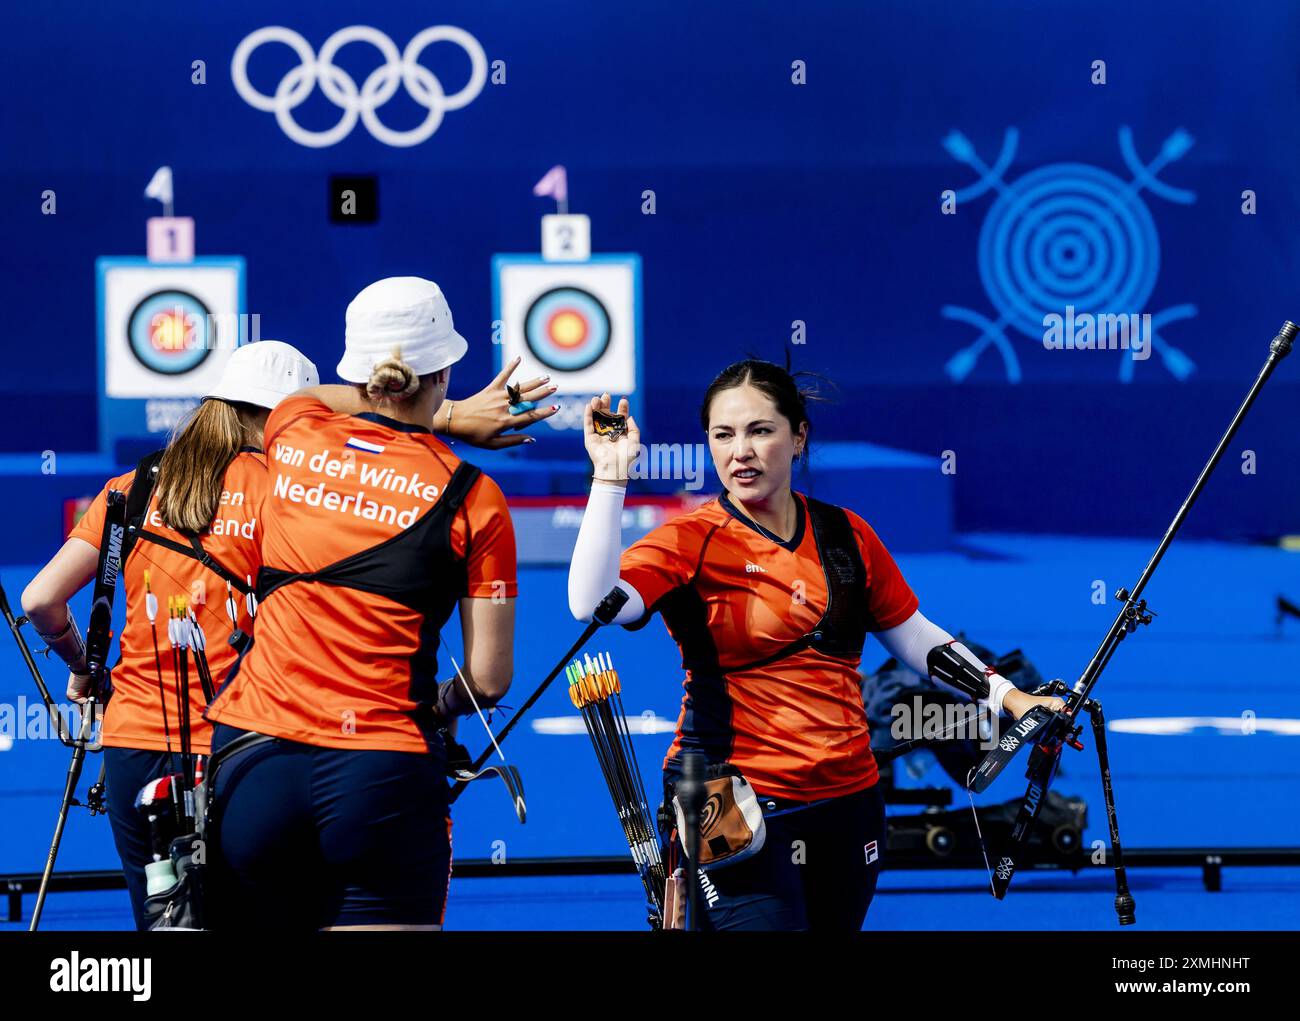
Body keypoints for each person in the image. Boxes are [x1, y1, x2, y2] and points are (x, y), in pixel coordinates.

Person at [567, 359, 1066, 931]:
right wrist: (609, 474)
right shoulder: (688, 541)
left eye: (761, 431)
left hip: (848, 798)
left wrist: (1010, 699)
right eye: (723, 435)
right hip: (725, 792)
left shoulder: (845, 533)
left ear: (798, 435)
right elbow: (592, 603)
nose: (741, 452)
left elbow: (913, 636)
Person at [205, 277, 525, 931]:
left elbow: (323, 395)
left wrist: (448, 410)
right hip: (380, 773)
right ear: (443, 368)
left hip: (255, 765)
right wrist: (439, 705)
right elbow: (489, 680)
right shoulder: (474, 496)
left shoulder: (293, 427)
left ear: (362, 370)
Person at [21, 340, 318, 930]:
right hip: (245, 746)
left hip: (135, 744)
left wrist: (86, 666)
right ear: (279, 418)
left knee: (165, 925)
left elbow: (40, 600)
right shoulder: (283, 493)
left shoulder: (133, 486)